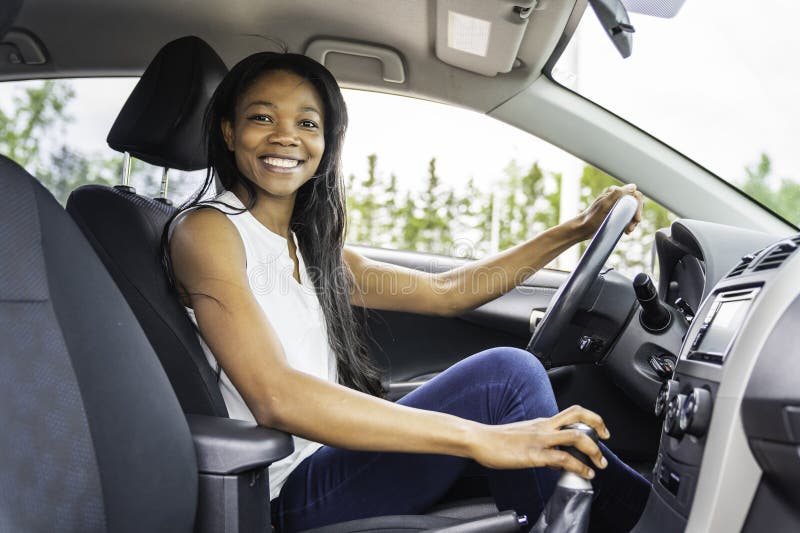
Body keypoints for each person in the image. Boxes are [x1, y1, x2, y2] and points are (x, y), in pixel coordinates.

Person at [165, 52, 650, 532]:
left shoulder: (309, 248)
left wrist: (578, 228)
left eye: (307, 123)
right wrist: (478, 438)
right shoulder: (208, 230)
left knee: (507, 379)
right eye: (261, 117)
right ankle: (649, 519)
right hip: (280, 490)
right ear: (229, 132)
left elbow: (448, 292)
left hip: (328, 458)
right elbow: (276, 396)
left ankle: (645, 517)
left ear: (326, 142)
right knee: (507, 377)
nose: (286, 136)